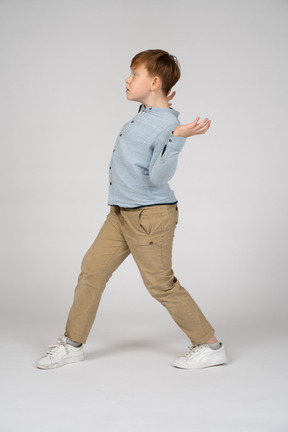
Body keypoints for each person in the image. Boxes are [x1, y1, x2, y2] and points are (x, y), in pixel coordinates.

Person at [37, 49, 227, 370]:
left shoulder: (167, 125)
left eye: (134, 74)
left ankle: (209, 345)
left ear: (154, 82)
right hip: (121, 213)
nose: (127, 79)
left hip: (149, 216)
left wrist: (177, 138)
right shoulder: (145, 115)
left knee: (160, 284)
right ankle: (72, 344)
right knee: (92, 271)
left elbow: (158, 176)